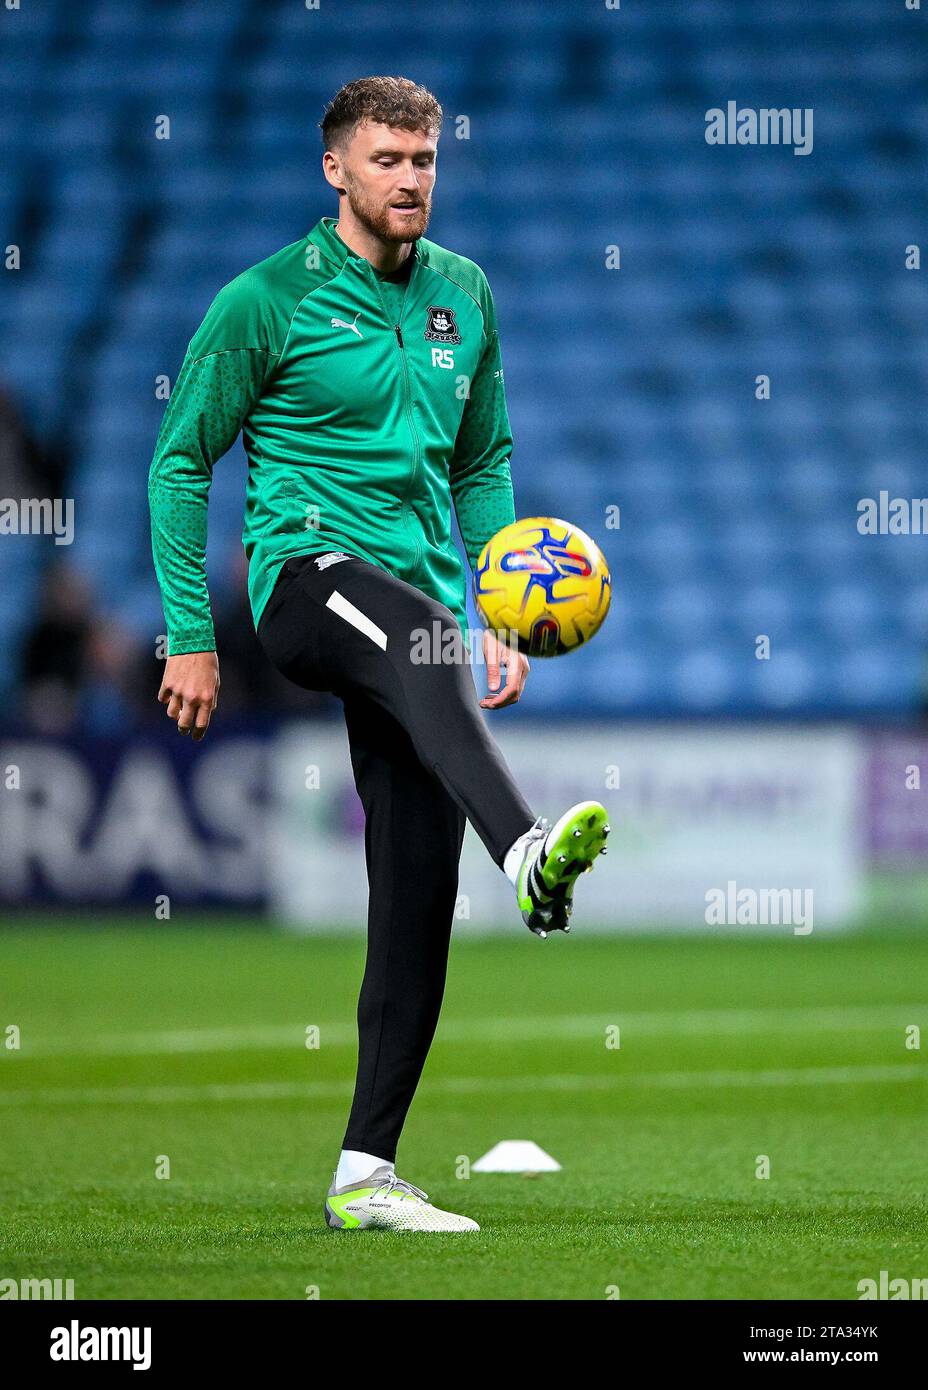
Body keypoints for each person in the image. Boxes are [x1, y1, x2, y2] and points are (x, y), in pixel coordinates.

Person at [148, 76, 609, 1232]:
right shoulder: (265, 301)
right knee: (421, 637)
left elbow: (480, 458)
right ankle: (531, 856)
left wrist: (505, 598)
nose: (411, 178)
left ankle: (366, 1170)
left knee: (413, 889)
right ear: (335, 170)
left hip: (427, 617)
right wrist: (192, 633)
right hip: (304, 583)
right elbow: (178, 461)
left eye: (425, 160)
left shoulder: (464, 293)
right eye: (388, 158)